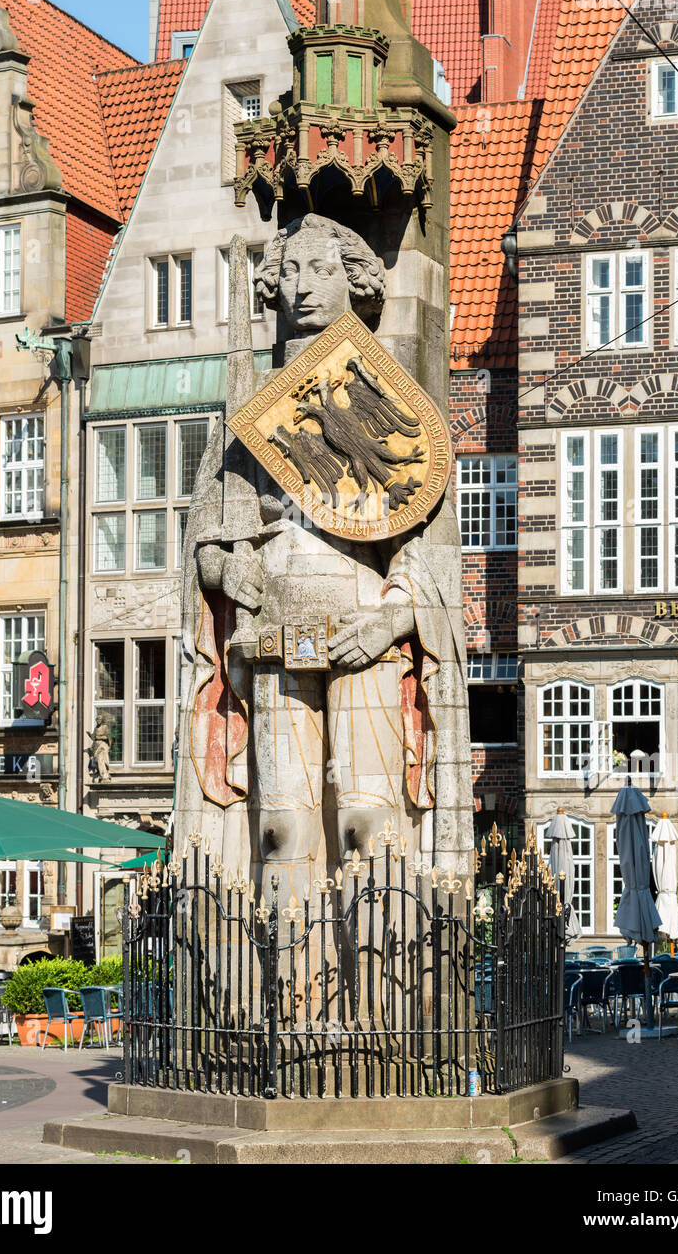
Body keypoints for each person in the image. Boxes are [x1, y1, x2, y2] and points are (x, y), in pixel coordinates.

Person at [177, 213, 469, 890]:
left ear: (353, 279)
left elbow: (421, 550)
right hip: (272, 635)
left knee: (366, 824)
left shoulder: (381, 390)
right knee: (281, 831)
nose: (301, 287)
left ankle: (385, 958)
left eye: (320, 269)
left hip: (360, 631)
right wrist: (224, 568)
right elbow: (209, 540)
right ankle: (281, 956)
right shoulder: (253, 408)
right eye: (289, 272)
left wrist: (390, 622)